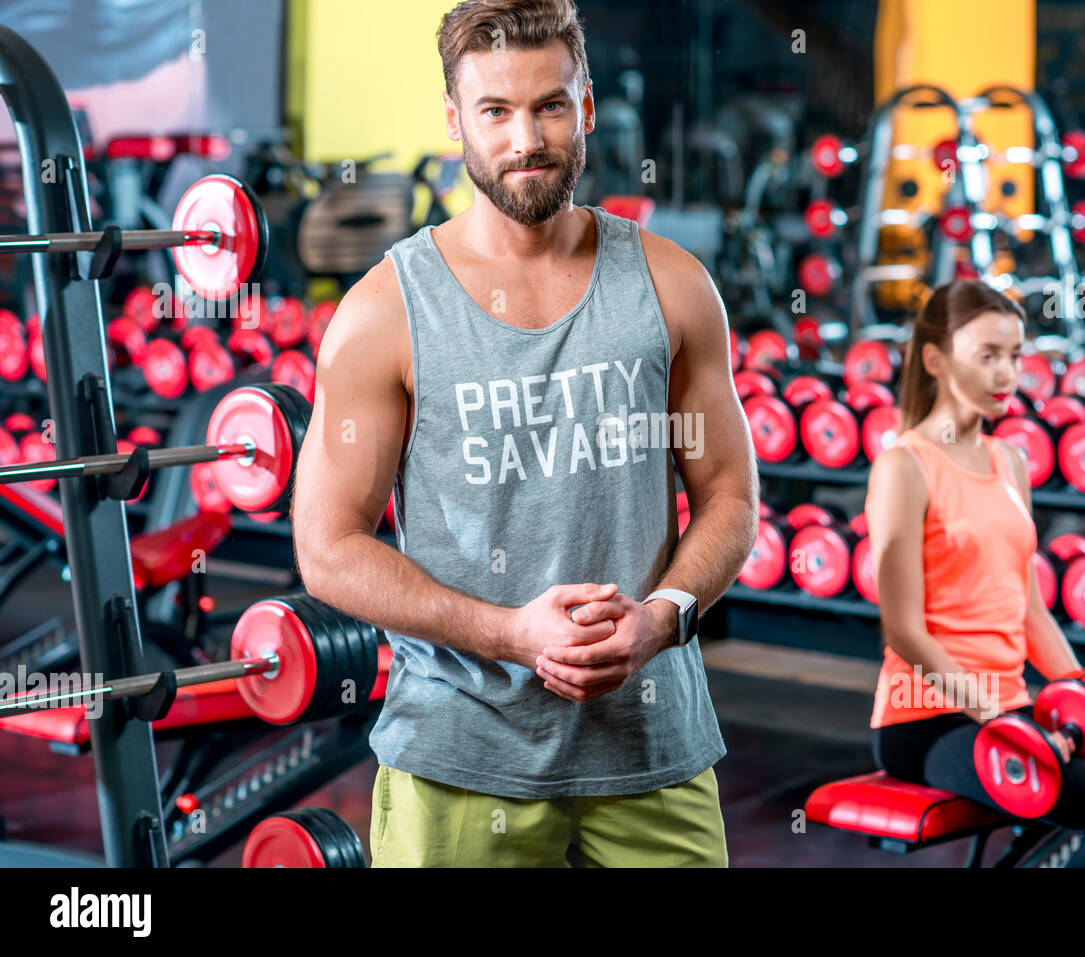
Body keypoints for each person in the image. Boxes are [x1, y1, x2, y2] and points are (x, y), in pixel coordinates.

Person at [291, 0, 757, 867]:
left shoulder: (673, 285)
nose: (526, 139)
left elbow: (730, 496)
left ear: (584, 107)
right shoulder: (386, 314)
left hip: (653, 744)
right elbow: (328, 548)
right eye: (495, 111)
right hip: (462, 755)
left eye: (549, 105)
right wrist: (511, 634)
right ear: (455, 121)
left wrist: (660, 618)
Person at [866, 279, 1085, 867]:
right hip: (927, 720)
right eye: (987, 356)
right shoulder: (904, 466)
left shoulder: (1009, 460)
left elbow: (1028, 608)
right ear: (936, 360)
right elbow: (904, 633)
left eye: (1015, 356)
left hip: (1014, 707)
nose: (1006, 374)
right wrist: (996, 715)